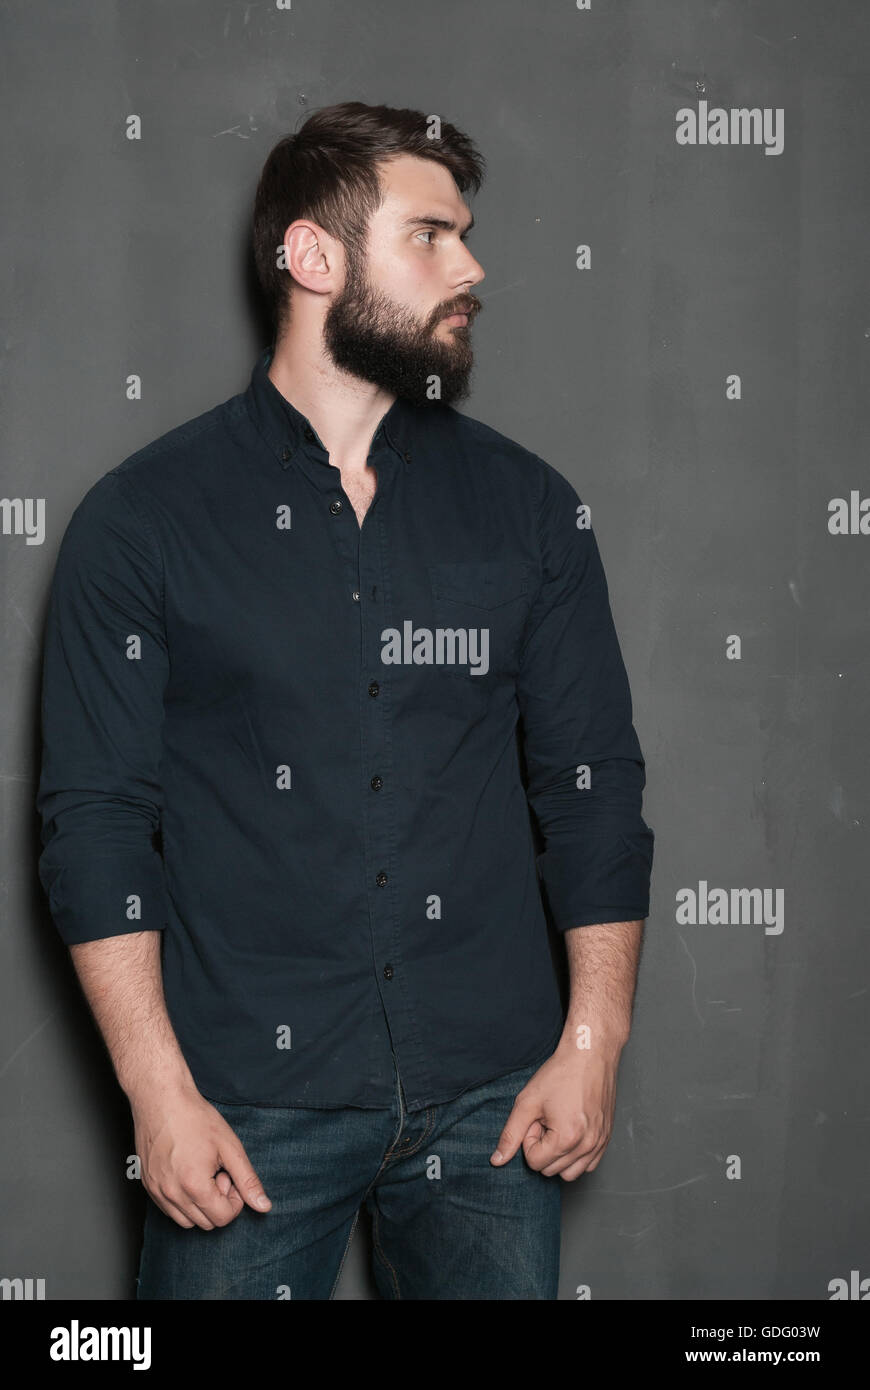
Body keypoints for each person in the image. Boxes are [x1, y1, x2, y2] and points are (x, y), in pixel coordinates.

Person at [36, 100, 655, 1301]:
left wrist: (595, 1039)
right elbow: (97, 817)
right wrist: (157, 1091)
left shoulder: (530, 509)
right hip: (243, 1112)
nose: (471, 267)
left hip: (495, 1107)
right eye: (430, 235)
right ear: (313, 258)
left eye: (466, 234)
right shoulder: (145, 519)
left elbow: (593, 788)